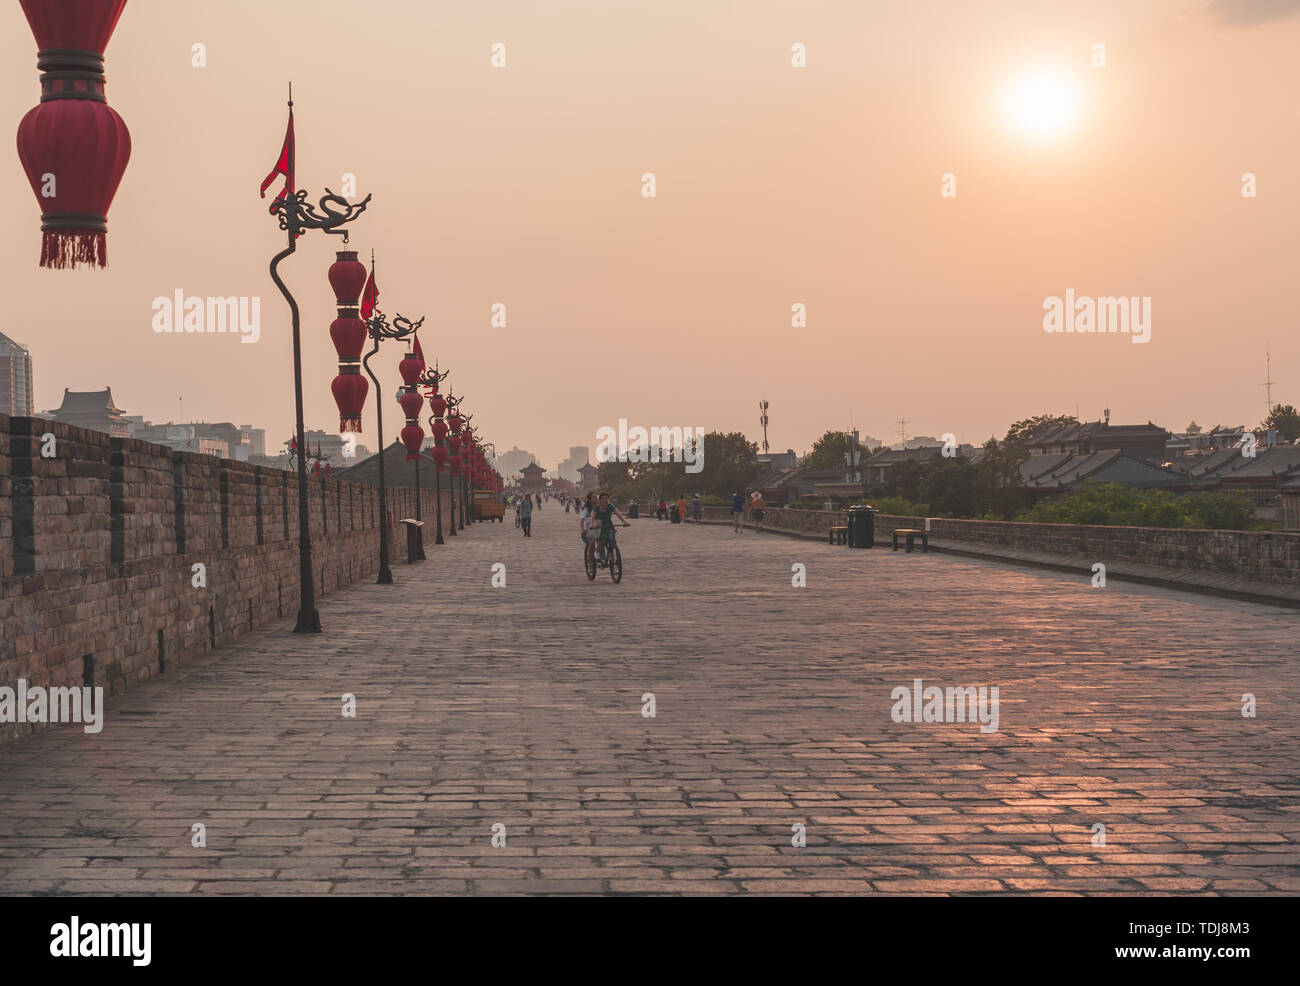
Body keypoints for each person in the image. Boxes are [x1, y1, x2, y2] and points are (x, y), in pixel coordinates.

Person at [585, 491, 630, 567]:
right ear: (600, 500)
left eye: (606, 499)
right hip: (598, 526)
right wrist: (592, 524)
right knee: (601, 541)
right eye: (603, 499)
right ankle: (596, 555)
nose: (605, 501)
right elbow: (592, 518)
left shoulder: (610, 506)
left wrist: (624, 522)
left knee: (612, 543)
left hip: (609, 526)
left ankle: (613, 561)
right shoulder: (596, 507)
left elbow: (618, 514)